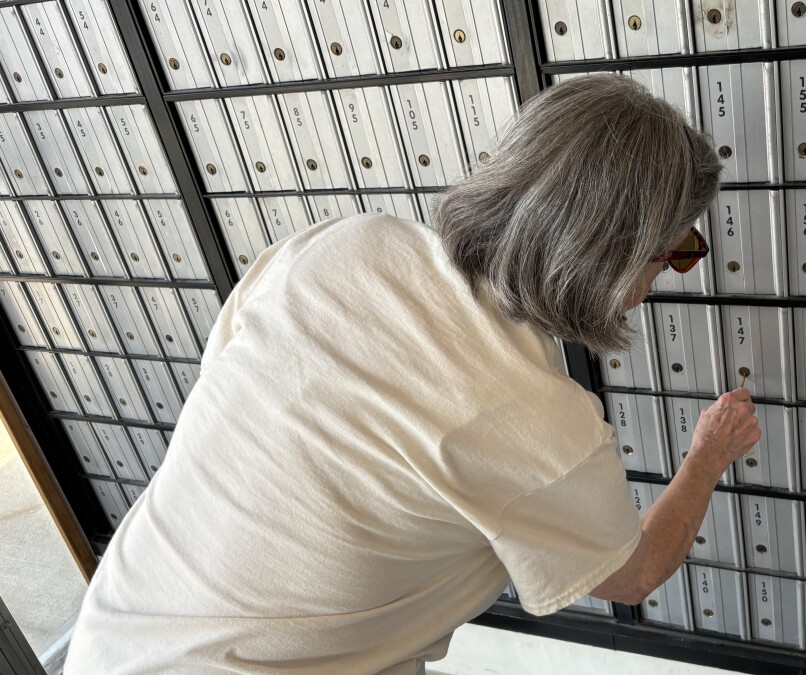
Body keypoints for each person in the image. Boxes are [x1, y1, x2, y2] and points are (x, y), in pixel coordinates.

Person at [66, 74, 761, 674]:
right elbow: (632, 574)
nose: (672, 269)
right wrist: (706, 456)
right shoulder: (541, 425)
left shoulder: (340, 243)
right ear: (614, 258)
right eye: (677, 250)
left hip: (116, 627)